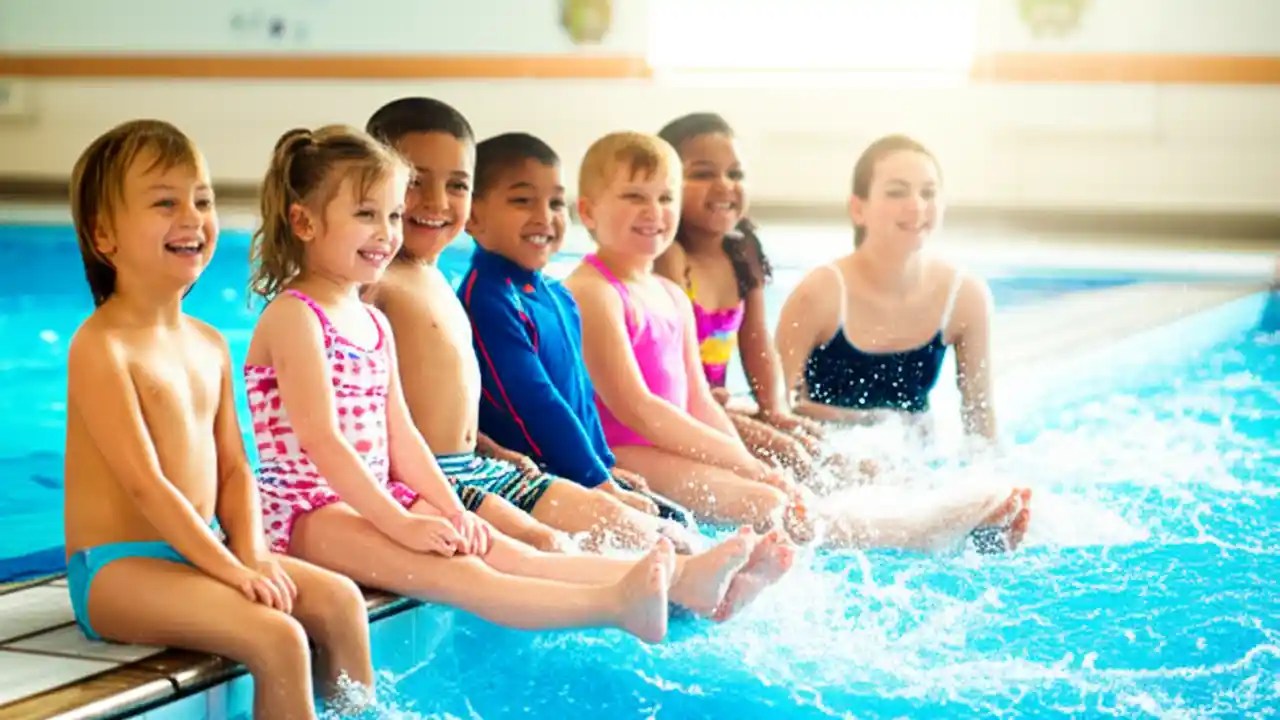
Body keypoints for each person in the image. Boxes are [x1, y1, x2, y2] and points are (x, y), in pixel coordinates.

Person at [242, 122, 772, 635]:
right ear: (305, 223)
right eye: (366, 215)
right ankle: (616, 604)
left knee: (501, 549)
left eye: (392, 216)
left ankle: (684, 580)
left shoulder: (371, 320)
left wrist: (449, 509)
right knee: (464, 574)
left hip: (380, 494)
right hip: (305, 512)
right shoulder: (295, 316)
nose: (386, 234)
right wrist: (401, 521)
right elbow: (323, 441)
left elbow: (400, 435)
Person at [568, 131, 1032, 555]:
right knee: (768, 502)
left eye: (665, 197)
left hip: (672, 443)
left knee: (779, 488)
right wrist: (740, 462)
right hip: (622, 452)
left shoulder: (669, 295)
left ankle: (925, 524)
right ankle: (914, 535)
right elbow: (639, 409)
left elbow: (696, 401)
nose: (654, 212)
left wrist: (747, 459)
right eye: (634, 197)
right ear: (587, 211)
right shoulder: (595, 292)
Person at [63, 119, 374, 719]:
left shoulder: (207, 343)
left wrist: (252, 552)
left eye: (201, 200)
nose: (191, 216)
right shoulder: (102, 347)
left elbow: (235, 468)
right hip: (118, 572)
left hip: (201, 549)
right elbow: (144, 485)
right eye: (164, 202)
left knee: (340, 604)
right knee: (277, 637)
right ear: (105, 236)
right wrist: (230, 568)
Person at [362, 98, 705, 554]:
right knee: (587, 539)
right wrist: (595, 479)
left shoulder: (441, 282)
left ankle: (691, 581)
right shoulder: (385, 286)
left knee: (665, 529)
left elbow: (445, 408)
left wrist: (500, 451)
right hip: (434, 480)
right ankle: (671, 586)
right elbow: (529, 400)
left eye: (456, 185)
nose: (437, 202)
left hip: (483, 467)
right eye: (416, 183)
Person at [775, 134, 999, 447]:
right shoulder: (818, 296)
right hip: (829, 458)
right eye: (896, 192)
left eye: (929, 193)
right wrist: (875, 421)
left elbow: (981, 424)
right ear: (858, 209)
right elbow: (781, 408)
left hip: (913, 466)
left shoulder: (964, 298)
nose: (916, 206)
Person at [654, 112, 826, 476]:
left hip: (718, 404)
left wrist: (775, 408)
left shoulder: (742, 251)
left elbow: (756, 341)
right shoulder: (668, 256)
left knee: (817, 446)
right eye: (702, 173)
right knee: (792, 456)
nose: (724, 185)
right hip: (680, 408)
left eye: (735, 174)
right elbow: (669, 358)